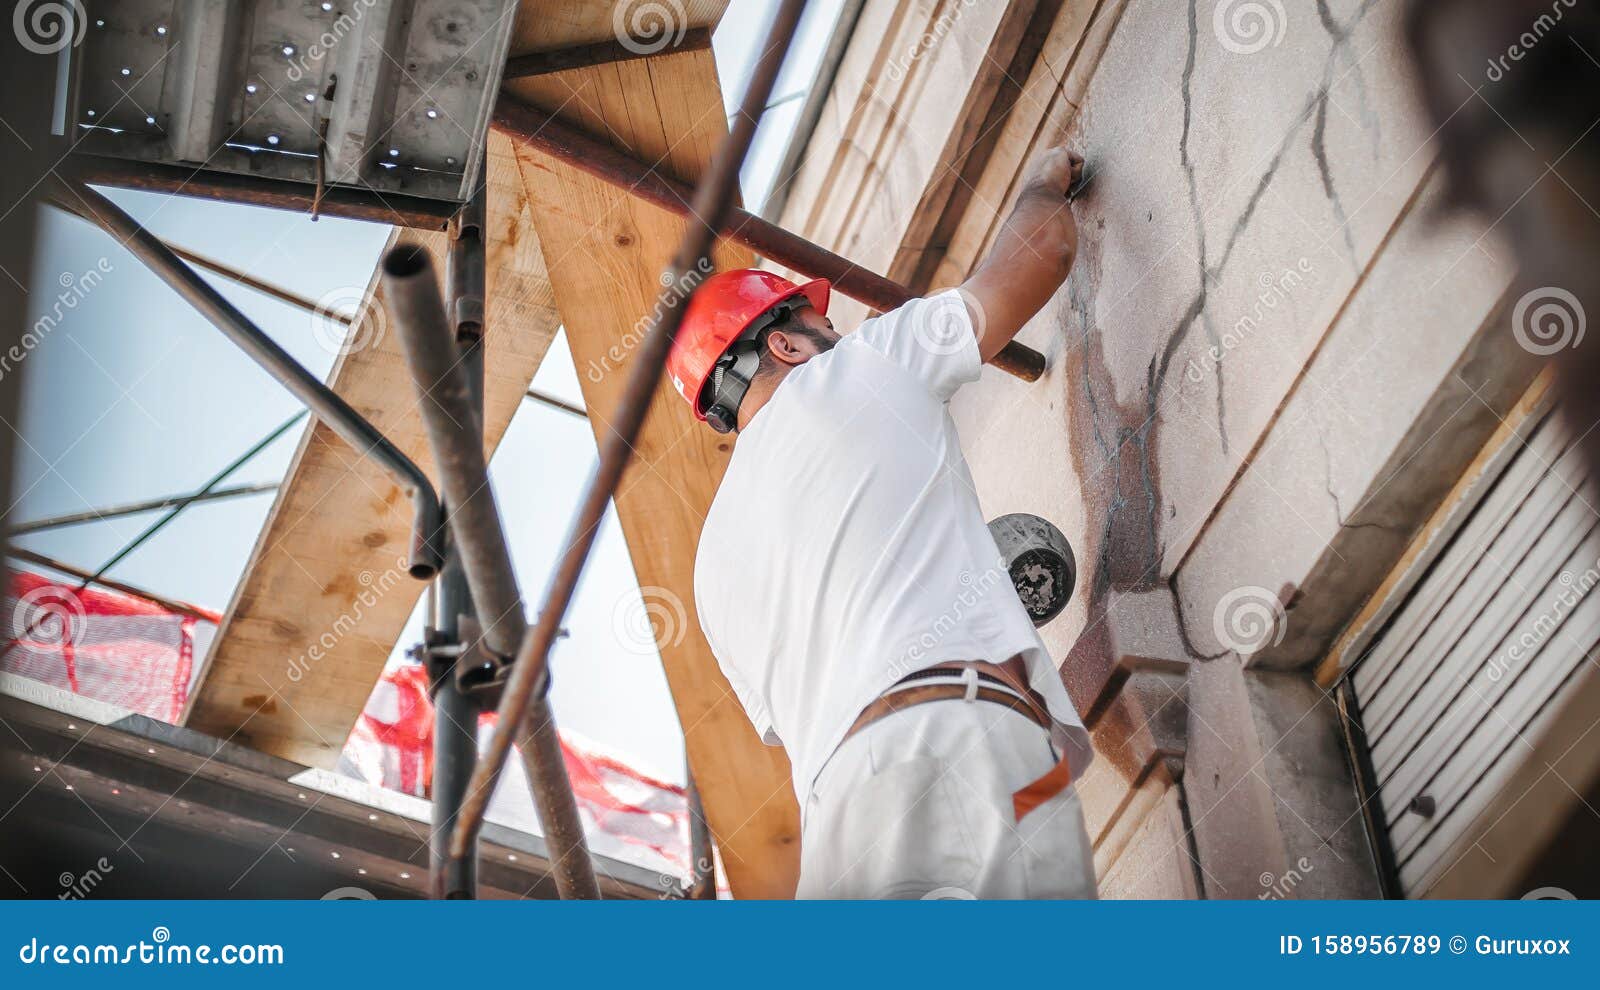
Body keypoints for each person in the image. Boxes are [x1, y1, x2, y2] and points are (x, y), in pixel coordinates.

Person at [671, 147, 1095, 899]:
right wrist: (1043, 182)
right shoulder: (858, 368)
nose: (835, 331)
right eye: (818, 322)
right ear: (784, 342)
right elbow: (1043, 254)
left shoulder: (709, 573)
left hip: (839, 833)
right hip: (961, 734)